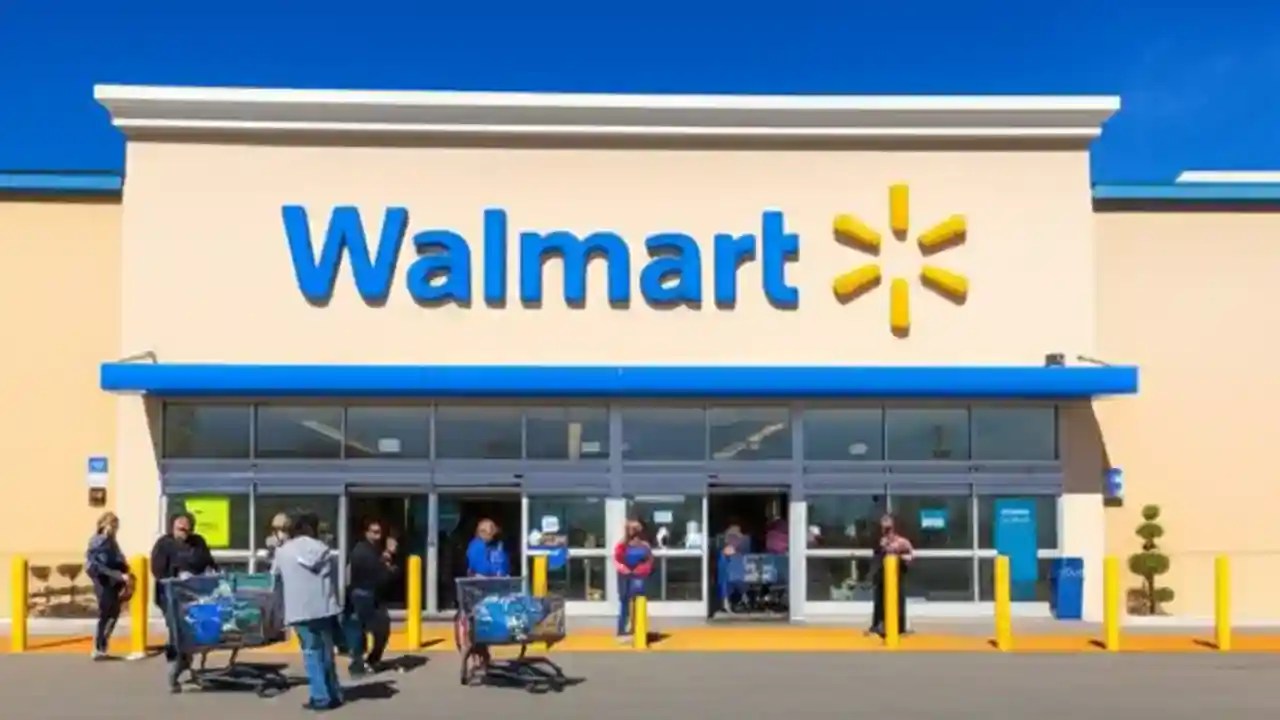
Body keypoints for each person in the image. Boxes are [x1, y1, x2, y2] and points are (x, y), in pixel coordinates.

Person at [272, 511, 344, 712]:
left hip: (298, 610)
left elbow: (274, 574)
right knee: (326, 652)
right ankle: (334, 693)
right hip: (324, 607)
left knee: (311, 652)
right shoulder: (323, 549)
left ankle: (319, 697)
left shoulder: (284, 551)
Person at [150, 511, 218, 693]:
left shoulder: (198, 542)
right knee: (178, 632)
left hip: (196, 596)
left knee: (195, 633)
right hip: (171, 597)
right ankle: (176, 667)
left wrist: (211, 573)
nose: (184, 533)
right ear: (173, 527)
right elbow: (157, 569)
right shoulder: (164, 544)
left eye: (188, 529)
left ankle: (187, 665)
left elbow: (209, 562)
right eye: (181, 529)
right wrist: (176, 577)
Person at [344, 518, 396, 677]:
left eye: (380, 532)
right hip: (364, 595)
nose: (378, 536)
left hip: (365, 595)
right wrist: (388, 559)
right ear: (366, 533)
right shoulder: (364, 552)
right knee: (375, 630)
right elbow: (379, 575)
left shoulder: (370, 549)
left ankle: (364, 662)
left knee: (364, 631)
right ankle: (361, 664)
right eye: (374, 532)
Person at [85, 512, 133, 660]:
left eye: (116, 526)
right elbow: (99, 565)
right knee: (106, 613)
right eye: (113, 526)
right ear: (104, 525)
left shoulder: (111, 541)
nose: (115, 529)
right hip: (104, 580)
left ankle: (102, 645)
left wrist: (125, 571)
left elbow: (118, 559)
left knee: (114, 612)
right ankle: (99, 646)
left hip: (113, 581)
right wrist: (119, 575)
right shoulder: (99, 541)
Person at [868, 513, 914, 637]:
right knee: (880, 601)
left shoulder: (902, 542)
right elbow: (876, 557)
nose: (886, 532)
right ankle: (878, 626)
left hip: (897, 576)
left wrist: (899, 556)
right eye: (883, 528)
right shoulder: (879, 542)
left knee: (898, 601)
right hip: (881, 576)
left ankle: (899, 627)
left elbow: (910, 556)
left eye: (888, 528)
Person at [613, 519, 653, 641]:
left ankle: (636, 628)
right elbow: (617, 559)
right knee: (624, 601)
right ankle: (622, 629)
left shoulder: (644, 545)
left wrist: (640, 570)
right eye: (631, 528)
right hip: (624, 575)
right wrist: (624, 569)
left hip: (638, 575)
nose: (634, 531)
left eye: (636, 528)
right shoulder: (622, 544)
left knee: (638, 600)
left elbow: (649, 561)